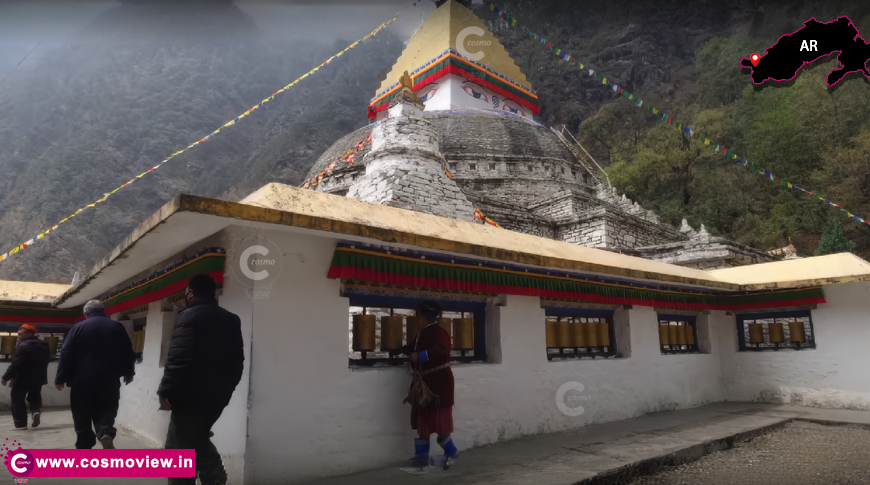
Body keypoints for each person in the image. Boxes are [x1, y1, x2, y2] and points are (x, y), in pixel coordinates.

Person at [159, 273, 244, 485]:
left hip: (189, 396)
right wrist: (227, 389)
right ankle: (213, 476)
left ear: (191, 293)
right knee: (198, 436)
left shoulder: (188, 316)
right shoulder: (231, 319)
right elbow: (237, 361)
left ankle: (211, 477)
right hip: (218, 396)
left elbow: (178, 359)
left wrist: (166, 391)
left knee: (179, 448)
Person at [55, 300, 135, 449]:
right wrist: (128, 372)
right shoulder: (117, 327)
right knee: (107, 407)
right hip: (109, 379)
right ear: (103, 311)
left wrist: (60, 378)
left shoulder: (77, 328)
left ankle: (84, 444)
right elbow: (127, 351)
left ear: (86, 314)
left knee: (81, 413)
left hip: (81, 381)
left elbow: (66, 354)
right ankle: (105, 431)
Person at [402, 300, 458, 471]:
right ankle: (421, 458)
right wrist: (403, 351)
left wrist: (419, 356)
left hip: (438, 385)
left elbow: (442, 351)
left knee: (440, 425)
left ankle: (451, 453)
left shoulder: (438, 332)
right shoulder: (423, 334)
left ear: (423, 317)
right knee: (424, 423)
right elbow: (410, 348)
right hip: (426, 385)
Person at [2, 324, 50, 430]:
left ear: (29, 333)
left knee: (17, 400)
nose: (18, 336)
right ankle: (36, 411)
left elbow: (16, 364)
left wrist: (6, 377)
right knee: (35, 396)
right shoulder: (44, 345)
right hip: (38, 378)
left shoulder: (23, 346)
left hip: (21, 378)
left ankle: (21, 424)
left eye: (20, 334)